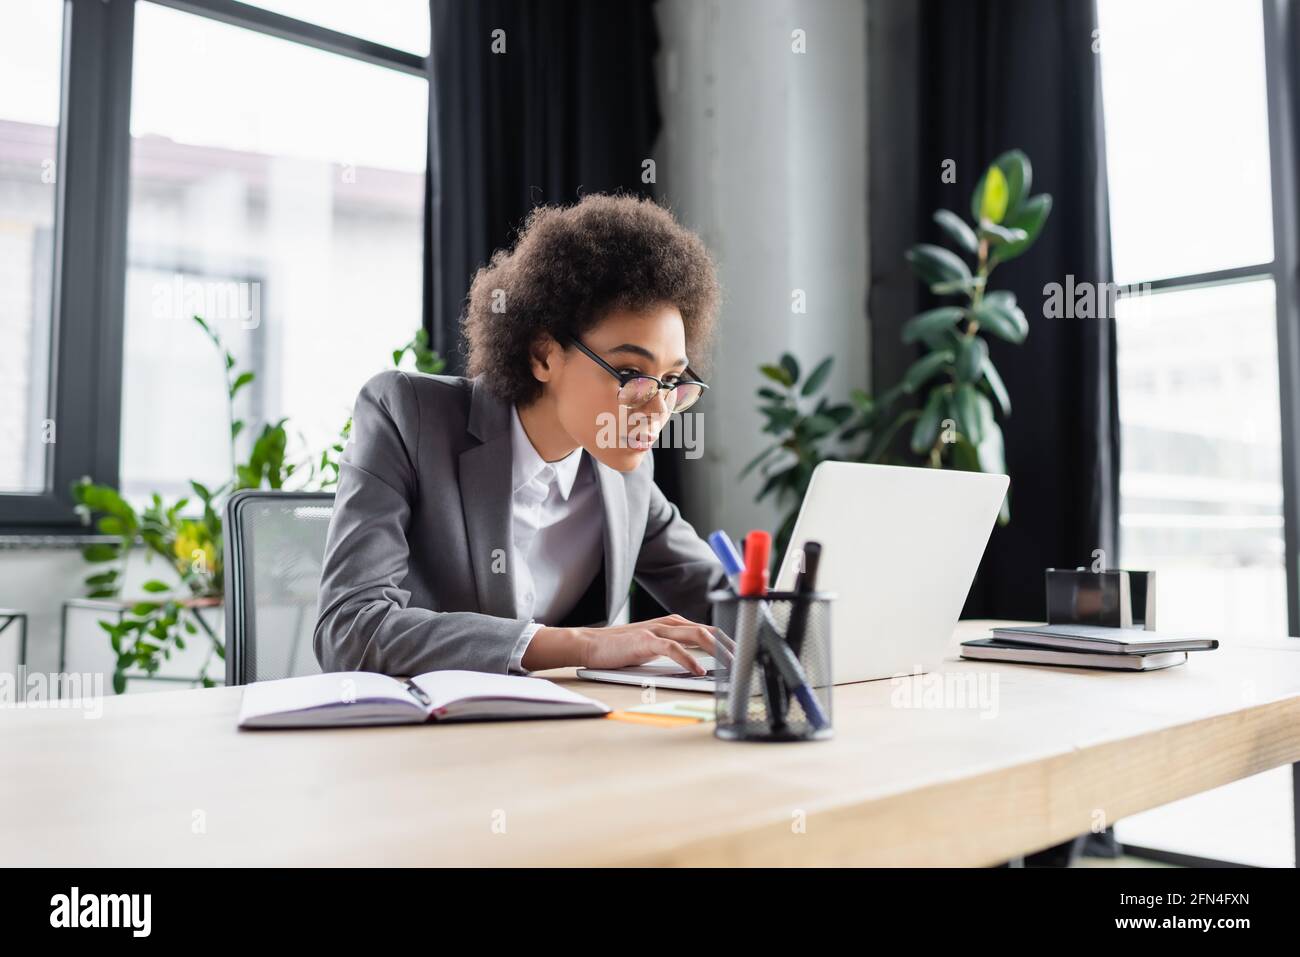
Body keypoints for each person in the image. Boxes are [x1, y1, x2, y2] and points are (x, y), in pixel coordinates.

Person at [313, 193, 734, 678]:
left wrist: (802, 609)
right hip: (419, 740)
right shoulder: (408, 416)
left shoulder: (627, 477)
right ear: (543, 356)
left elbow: (721, 598)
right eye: (629, 373)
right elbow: (349, 630)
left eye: (671, 381)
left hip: (555, 738)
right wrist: (580, 645)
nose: (657, 407)